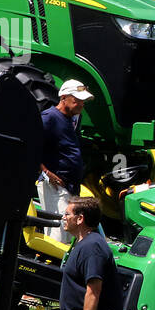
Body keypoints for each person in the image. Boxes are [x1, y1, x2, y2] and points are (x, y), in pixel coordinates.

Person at [38, 79, 92, 243]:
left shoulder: (72, 120)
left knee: (68, 236)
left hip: (69, 186)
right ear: (63, 97)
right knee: (58, 236)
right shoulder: (49, 118)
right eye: (77, 100)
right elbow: (30, 146)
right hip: (55, 185)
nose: (81, 104)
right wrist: (46, 173)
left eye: (83, 101)